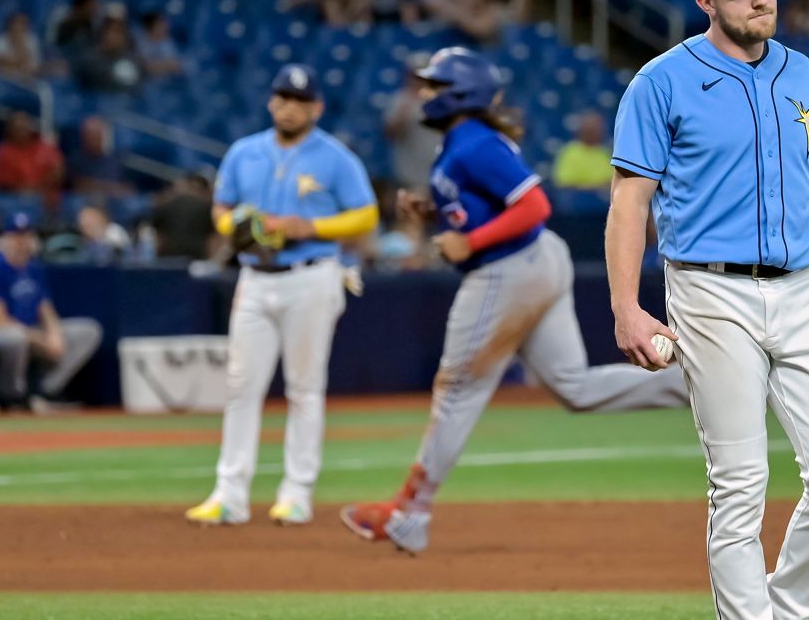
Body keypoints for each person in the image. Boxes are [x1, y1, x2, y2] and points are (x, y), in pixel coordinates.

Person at [604, 0, 809, 619]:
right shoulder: (660, 81)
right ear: (707, 1)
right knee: (739, 484)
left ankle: (786, 610)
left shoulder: (800, 73)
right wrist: (625, 308)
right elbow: (628, 201)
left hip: (801, 291)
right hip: (709, 293)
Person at [339, 47, 689, 553]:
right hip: (536, 263)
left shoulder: (474, 142)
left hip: (508, 270)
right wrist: (434, 208)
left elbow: (534, 205)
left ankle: (409, 512)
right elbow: (483, 204)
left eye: (434, 86)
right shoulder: (463, 141)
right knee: (575, 388)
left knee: (457, 388)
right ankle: (697, 383)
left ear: (460, 94)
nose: (424, 93)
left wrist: (471, 242)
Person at [185, 64, 379, 526]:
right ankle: (229, 494)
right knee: (239, 387)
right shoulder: (244, 152)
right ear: (271, 102)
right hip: (256, 276)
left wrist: (309, 226)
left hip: (311, 273)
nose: (290, 107)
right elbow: (222, 208)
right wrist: (235, 228)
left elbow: (366, 216)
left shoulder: (334, 157)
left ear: (317, 107)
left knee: (304, 388)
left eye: (300, 100)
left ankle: (297, 493)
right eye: (283, 98)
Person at [0, 212, 103, 409]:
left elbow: (45, 307)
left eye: (26, 236)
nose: (22, 242)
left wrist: (55, 335)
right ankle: (13, 395)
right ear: (6, 239)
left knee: (89, 330)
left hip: (31, 330)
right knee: (15, 336)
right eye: (16, 236)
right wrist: (40, 339)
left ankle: (47, 391)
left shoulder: (34, 269)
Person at [384, 53, 441, 190]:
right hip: (410, 175)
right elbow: (390, 133)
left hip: (439, 172)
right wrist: (404, 112)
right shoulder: (399, 100)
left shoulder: (442, 100)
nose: (420, 80)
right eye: (416, 75)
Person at [0, 112, 64, 203]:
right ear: (10, 130)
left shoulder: (45, 147)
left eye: (24, 126)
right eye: (17, 127)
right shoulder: (3, 152)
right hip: (17, 200)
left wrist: (39, 188)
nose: (21, 130)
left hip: (48, 200)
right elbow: (5, 185)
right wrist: (29, 191)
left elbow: (58, 172)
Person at [150, 174, 217, 260]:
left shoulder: (165, 205)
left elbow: (158, 238)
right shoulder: (207, 207)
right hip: (197, 257)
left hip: (169, 257)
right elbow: (214, 239)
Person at [552, 110, 615, 190]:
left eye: (597, 129)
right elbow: (564, 183)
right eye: (590, 129)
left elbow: (611, 181)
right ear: (582, 130)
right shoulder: (569, 152)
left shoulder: (604, 153)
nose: (594, 132)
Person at [0, 12, 42, 78]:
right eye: (16, 25)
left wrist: (20, 44)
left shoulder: (32, 40)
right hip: (3, 80)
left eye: (22, 26)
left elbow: (33, 67)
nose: (18, 29)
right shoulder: (0, 41)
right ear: (10, 26)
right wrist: (18, 63)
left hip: (26, 80)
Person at [135, 11, 184, 79]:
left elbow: (177, 66)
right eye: (161, 24)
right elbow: (142, 66)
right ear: (151, 28)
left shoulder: (166, 41)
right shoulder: (139, 41)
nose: (166, 26)